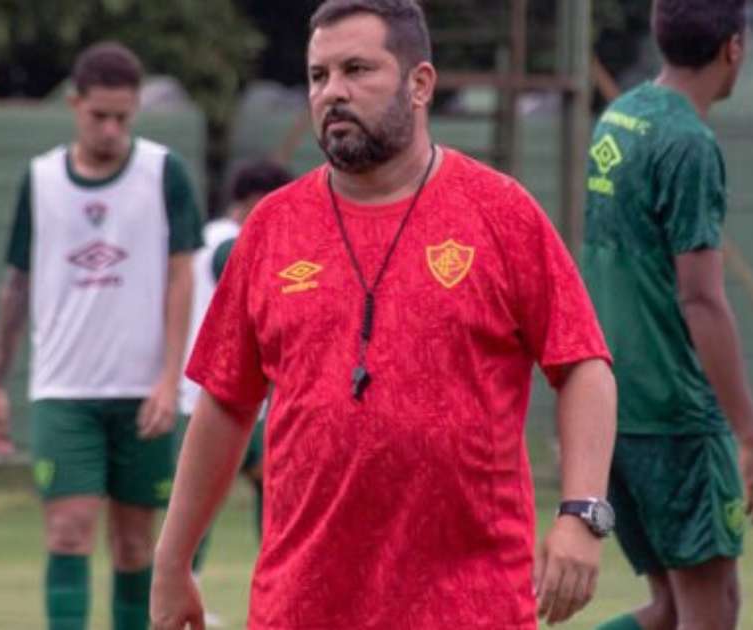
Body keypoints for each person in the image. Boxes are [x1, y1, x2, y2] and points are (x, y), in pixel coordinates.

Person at [150, 1, 618, 628]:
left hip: (471, 605)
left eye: (356, 70)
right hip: (303, 606)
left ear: (419, 83)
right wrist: (173, 561)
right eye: (318, 76)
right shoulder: (272, 229)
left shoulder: (500, 212)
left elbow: (583, 363)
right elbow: (225, 402)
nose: (332, 93)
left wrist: (583, 512)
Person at [0, 41, 203, 630]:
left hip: (143, 391)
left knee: (134, 545)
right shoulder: (42, 178)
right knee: (69, 530)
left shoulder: (163, 173)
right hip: (63, 388)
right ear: (75, 104)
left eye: (123, 117)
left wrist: (168, 378)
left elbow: (182, 277)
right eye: (99, 115)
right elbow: (16, 284)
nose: (110, 128)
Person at [581, 1, 753, 629]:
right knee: (712, 608)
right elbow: (699, 297)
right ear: (735, 48)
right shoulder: (688, 143)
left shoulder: (619, 118)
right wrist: (752, 441)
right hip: (673, 414)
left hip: (613, 404)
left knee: (670, 609)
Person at [178, 159, 293, 614]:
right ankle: (189, 593)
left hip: (248, 406)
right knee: (199, 505)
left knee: (277, 491)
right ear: (253, 202)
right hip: (207, 403)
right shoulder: (228, 243)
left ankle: (284, 585)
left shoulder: (211, 239)